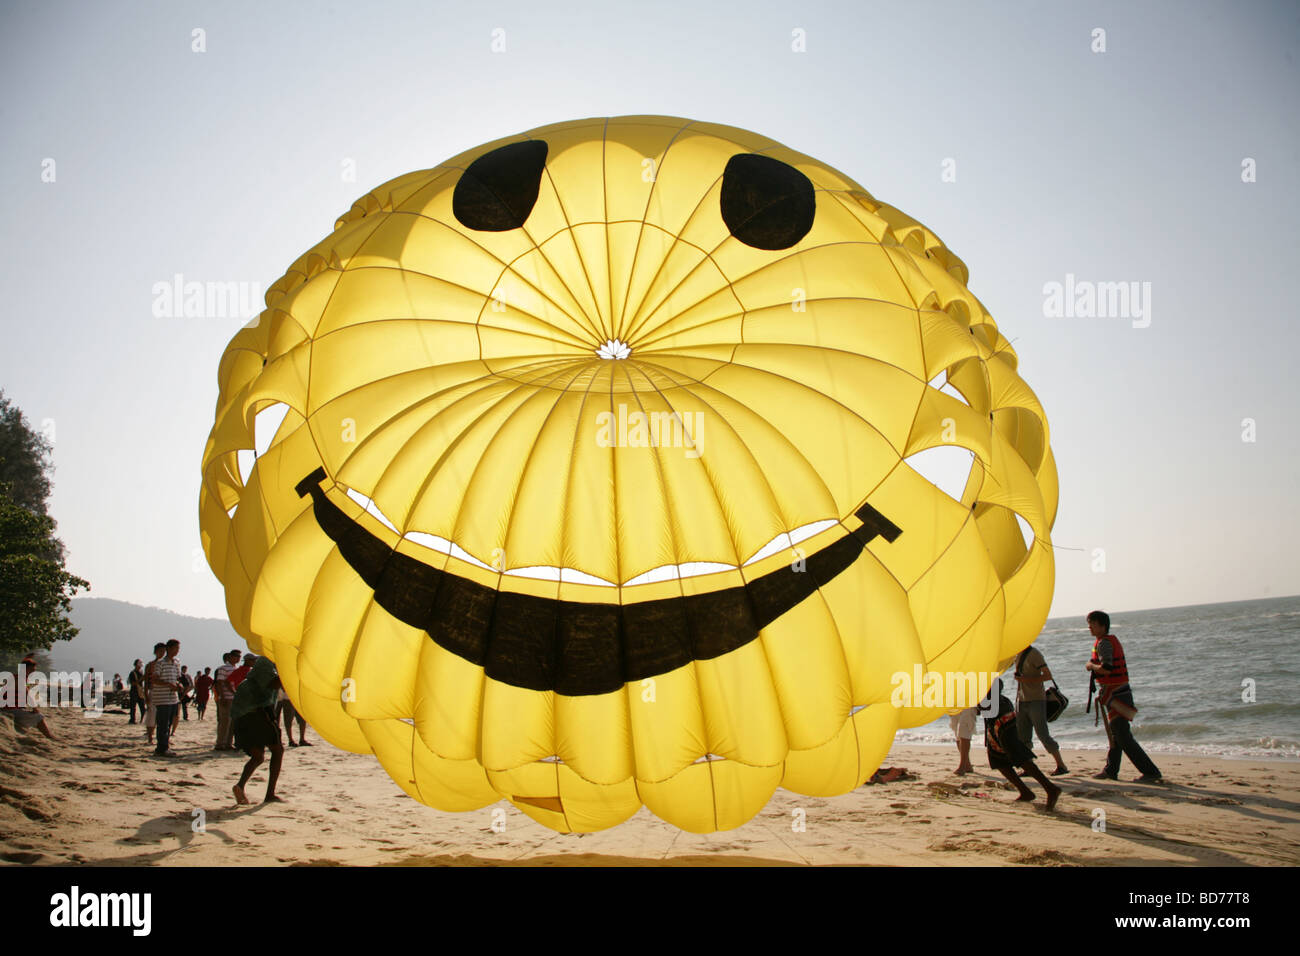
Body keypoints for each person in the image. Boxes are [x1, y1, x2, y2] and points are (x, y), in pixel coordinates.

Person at [1085, 610, 1162, 783]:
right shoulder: (1104, 641)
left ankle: (1150, 772)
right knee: (1116, 734)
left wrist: (1091, 666)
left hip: (1117, 694)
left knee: (1122, 735)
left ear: (1102, 626)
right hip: (1117, 692)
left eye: (1093, 624)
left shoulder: (1104, 643)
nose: (1089, 627)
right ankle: (1111, 770)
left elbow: (1107, 668)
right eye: (1089, 624)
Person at [983, 680, 1061, 810]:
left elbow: (997, 684)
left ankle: (1051, 788)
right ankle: (1025, 791)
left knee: (1018, 756)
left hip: (1003, 718)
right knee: (998, 759)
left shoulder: (986, 675)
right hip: (994, 719)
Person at [231, 657, 285, 805]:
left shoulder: (265, 664)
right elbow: (273, 683)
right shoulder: (266, 661)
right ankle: (270, 794)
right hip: (257, 712)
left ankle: (240, 786)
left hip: (243, 715)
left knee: (258, 756)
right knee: (277, 750)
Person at [1014, 643, 1068, 775]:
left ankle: (1061, 765)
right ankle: (1029, 766)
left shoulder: (1034, 654)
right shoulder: (1016, 653)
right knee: (1023, 736)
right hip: (1021, 700)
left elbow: (1048, 675)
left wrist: (1026, 679)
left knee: (1043, 734)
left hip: (1036, 700)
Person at [2, 656, 54, 739]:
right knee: (39, 717)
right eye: (31, 670)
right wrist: (35, 709)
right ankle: (49, 736)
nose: (32, 672)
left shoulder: (17, 677)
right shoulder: (19, 679)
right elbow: (28, 695)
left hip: (8, 707)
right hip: (8, 709)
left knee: (29, 714)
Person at [150, 639, 182, 757]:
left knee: (168, 724)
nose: (177, 651)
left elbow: (177, 678)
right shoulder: (160, 663)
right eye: (176, 648)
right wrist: (168, 684)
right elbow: (154, 679)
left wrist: (179, 685)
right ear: (168, 648)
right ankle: (161, 748)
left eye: (178, 648)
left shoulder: (176, 662)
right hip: (162, 698)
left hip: (173, 697)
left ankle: (164, 746)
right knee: (163, 724)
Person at [213, 651, 238, 751]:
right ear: (230, 657)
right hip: (226, 698)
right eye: (236, 656)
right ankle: (220, 743)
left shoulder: (235, 668)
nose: (237, 658)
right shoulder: (223, 668)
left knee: (232, 722)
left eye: (239, 656)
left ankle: (228, 743)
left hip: (234, 698)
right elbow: (219, 683)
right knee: (225, 721)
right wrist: (222, 696)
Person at [143, 643, 165, 744]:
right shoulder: (150, 665)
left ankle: (160, 738)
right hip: (153, 691)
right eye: (160, 651)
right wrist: (146, 694)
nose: (162, 653)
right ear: (155, 652)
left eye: (163, 651)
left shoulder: (166, 664)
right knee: (151, 715)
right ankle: (150, 737)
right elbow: (146, 681)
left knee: (161, 717)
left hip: (163, 693)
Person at [949, 706, 976, 774]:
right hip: (954, 702)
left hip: (969, 702)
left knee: (964, 731)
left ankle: (962, 766)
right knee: (957, 733)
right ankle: (967, 765)